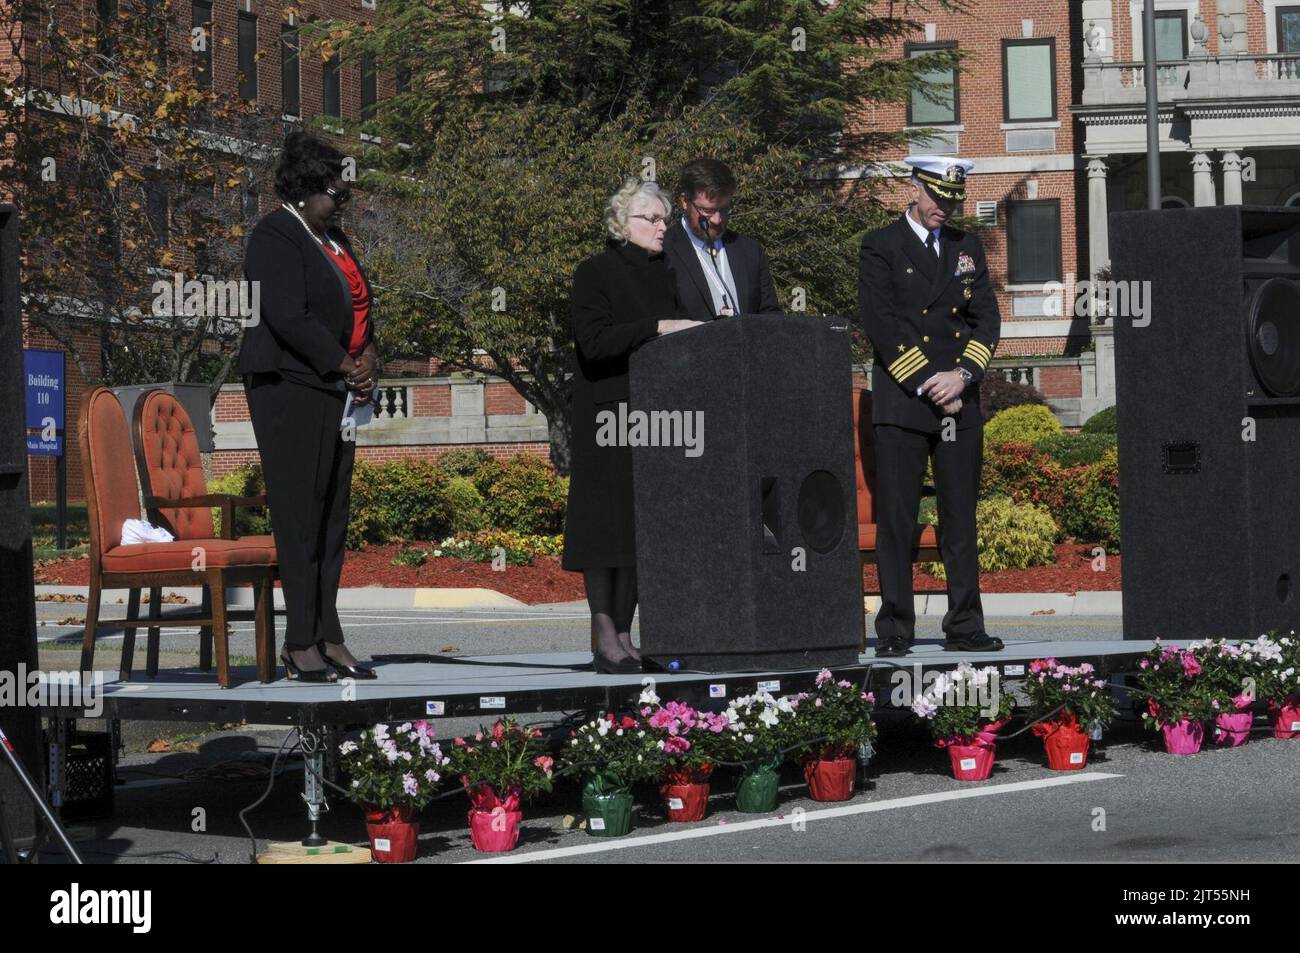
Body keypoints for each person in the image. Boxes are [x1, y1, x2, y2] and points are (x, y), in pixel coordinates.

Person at [238, 132, 380, 683]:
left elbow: (362, 304)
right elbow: (287, 315)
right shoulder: (276, 234)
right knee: (299, 517)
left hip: (335, 392)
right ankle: (299, 643)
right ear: (305, 190)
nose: (340, 201)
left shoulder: (335, 240)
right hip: (289, 388)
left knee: (331, 518)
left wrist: (368, 356)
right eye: (334, 192)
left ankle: (328, 634)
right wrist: (344, 365)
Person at [857, 155, 1003, 657]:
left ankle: (965, 622)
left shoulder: (968, 247)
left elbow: (987, 321)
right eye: (939, 197)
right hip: (904, 401)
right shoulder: (880, 246)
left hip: (959, 401)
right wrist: (928, 380)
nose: (947, 207)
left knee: (960, 517)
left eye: (954, 199)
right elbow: (883, 323)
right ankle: (895, 627)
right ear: (915, 189)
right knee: (897, 519)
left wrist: (960, 376)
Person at [562, 178, 705, 673]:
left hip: (659, 417)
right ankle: (604, 637)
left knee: (639, 530)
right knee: (605, 531)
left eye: (666, 219)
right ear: (623, 223)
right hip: (608, 415)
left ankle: (626, 633)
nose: (664, 227)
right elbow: (595, 342)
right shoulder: (594, 271)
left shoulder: (667, 275)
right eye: (653, 218)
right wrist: (658, 327)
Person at [663, 157, 783, 320]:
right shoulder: (662, 251)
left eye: (724, 209)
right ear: (684, 201)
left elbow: (771, 315)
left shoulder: (749, 250)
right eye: (708, 211)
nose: (717, 220)